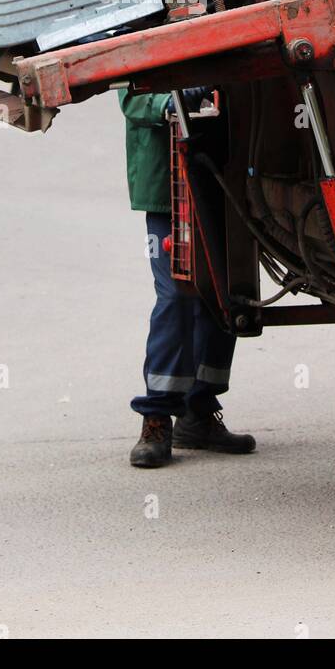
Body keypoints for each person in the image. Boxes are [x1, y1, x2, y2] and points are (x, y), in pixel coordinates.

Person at [118, 88, 256, 468]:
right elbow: (131, 97)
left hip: (221, 172)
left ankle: (198, 411)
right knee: (177, 294)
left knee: (222, 293)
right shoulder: (133, 28)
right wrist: (169, 103)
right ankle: (157, 417)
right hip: (167, 187)